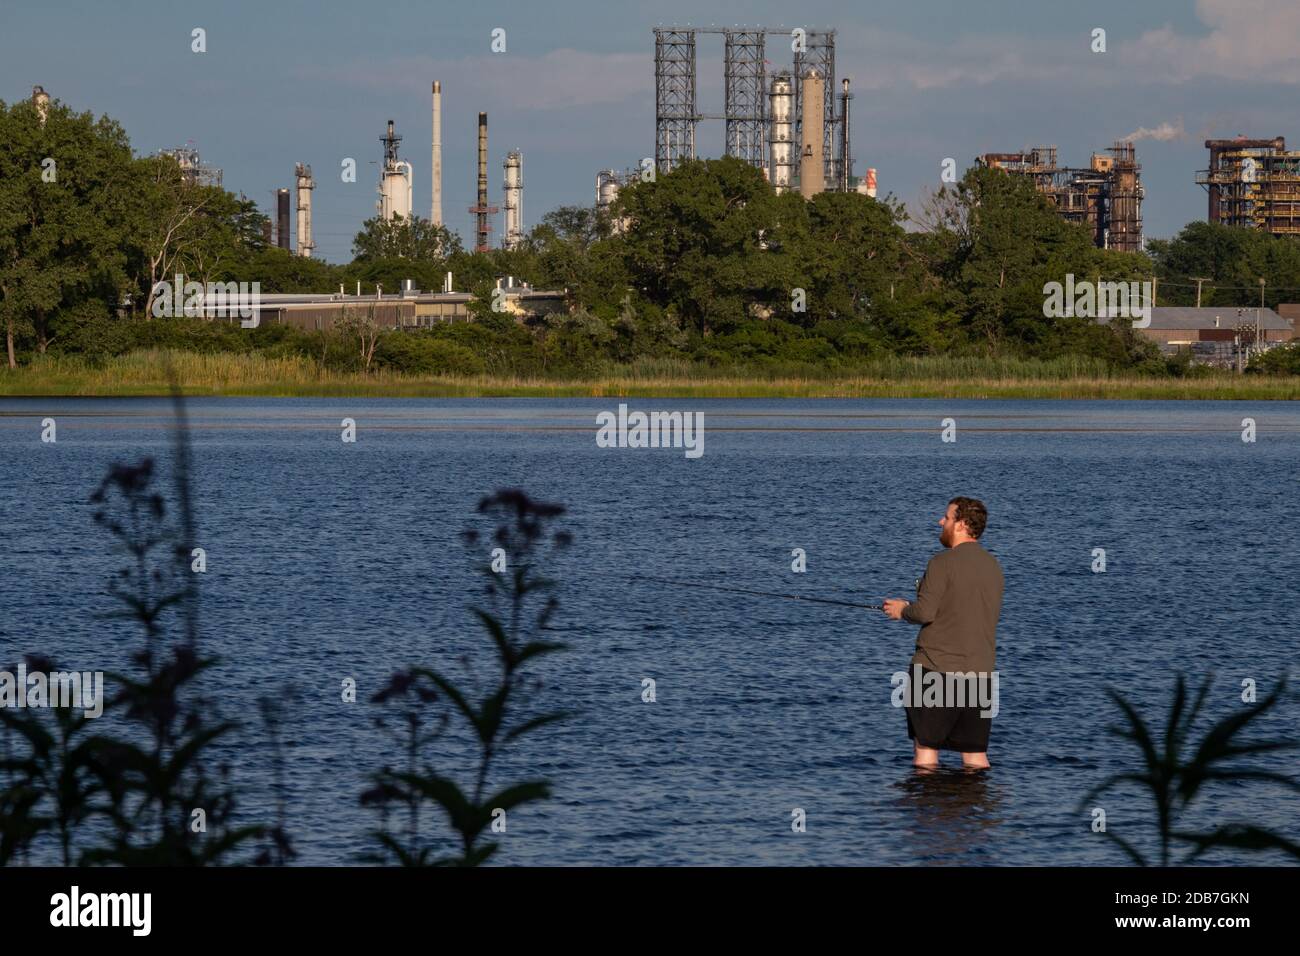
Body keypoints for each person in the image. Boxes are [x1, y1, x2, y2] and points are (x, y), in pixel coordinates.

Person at [883, 497, 1004, 770]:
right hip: (979, 674)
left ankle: (926, 811)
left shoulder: (941, 563)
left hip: (935, 670)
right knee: (975, 756)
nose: (941, 521)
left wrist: (902, 610)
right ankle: (977, 810)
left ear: (961, 524)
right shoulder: (994, 567)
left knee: (926, 752)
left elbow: (925, 612)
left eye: (946, 518)